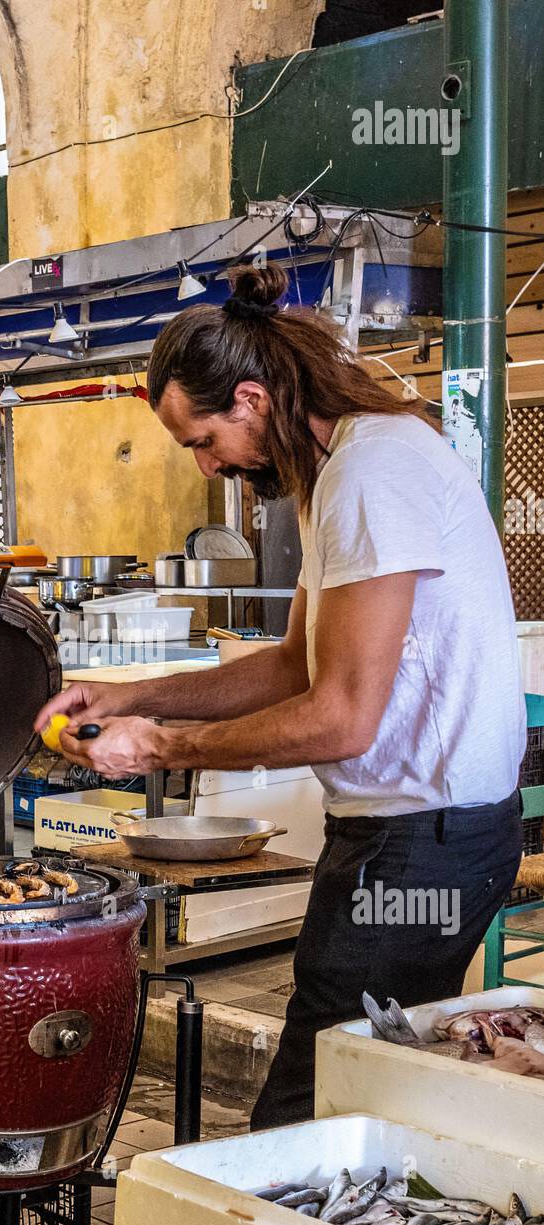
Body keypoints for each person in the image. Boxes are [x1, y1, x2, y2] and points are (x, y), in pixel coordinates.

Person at [34, 263, 525, 1130]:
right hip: (408, 834)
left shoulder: (373, 472)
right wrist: (136, 694)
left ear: (252, 400)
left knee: (318, 1108)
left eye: (201, 439)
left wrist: (155, 746)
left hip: (424, 843)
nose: (204, 463)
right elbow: (293, 665)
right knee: (367, 1089)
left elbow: (338, 717)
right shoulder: (333, 472)